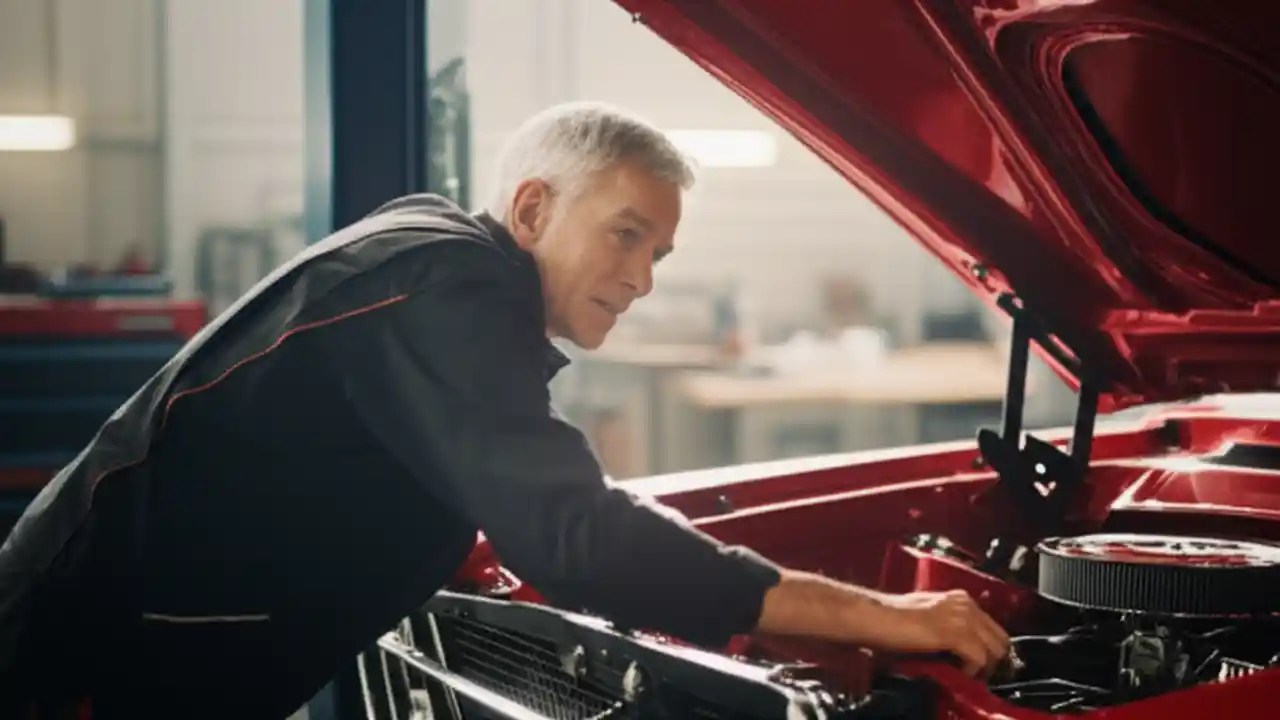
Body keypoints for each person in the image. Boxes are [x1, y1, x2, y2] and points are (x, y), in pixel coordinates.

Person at [0, 102, 1008, 717]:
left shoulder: (427, 253)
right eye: (624, 234)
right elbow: (574, 537)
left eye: (657, 252)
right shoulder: (449, 286)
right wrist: (877, 611)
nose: (643, 279)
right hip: (81, 664)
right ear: (530, 209)